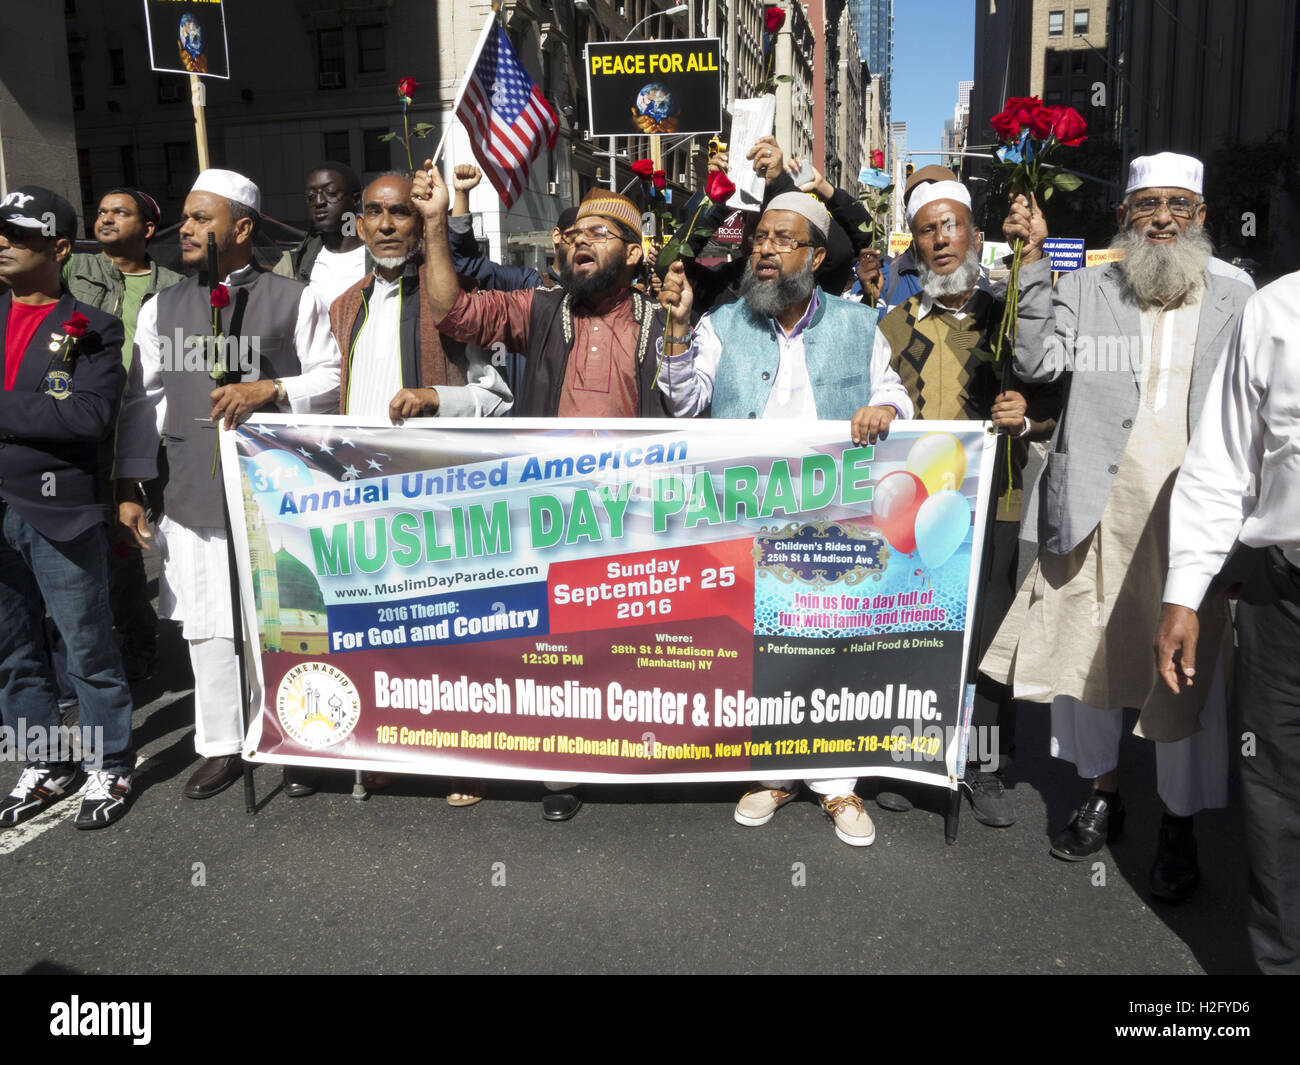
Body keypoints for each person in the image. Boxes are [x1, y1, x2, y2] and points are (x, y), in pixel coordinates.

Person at [981, 153, 1255, 900]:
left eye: (1178, 205)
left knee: (1185, 671)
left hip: (1195, 515)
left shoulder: (1239, 294)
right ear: (1125, 216)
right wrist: (1031, 263)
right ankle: (1103, 789)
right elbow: (1038, 360)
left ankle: (1179, 820)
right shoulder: (1091, 284)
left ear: (1201, 216)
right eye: (1146, 205)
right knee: (1088, 657)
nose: (1162, 217)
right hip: (1099, 502)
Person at [656, 190, 912, 847]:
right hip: (745, 520)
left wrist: (885, 412)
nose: (764, 249)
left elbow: (894, 397)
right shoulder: (724, 320)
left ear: (815, 254)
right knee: (760, 646)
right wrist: (680, 328)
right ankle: (773, 772)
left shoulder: (858, 324)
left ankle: (836, 782)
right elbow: (685, 407)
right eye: (760, 237)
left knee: (828, 646)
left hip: (835, 522)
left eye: (782, 239)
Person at [114, 168, 341, 802]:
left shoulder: (296, 297)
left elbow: (330, 377)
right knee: (210, 625)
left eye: (200, 219)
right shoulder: (163, 305)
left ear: (242, 229)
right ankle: (222, 743)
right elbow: (142, 400)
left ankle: (299, 737)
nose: (185, 229)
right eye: (184, 218)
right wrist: (132, 485)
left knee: (287, 620)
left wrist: (271, 388)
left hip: (277, 493)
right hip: (191, 492)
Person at [850, 179, 1061, 827]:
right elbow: (874, 400)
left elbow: (1053, 406)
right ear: (914, 244)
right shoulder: (889, 325)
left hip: (995, 502)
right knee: (913, 628)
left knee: (988, 634)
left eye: (953, 227)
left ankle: (984, 767)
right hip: (914, 511)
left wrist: (1025, 417)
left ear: (975, 235)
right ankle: (909, 758)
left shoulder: (1011, 318)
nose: (941, 240)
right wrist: (877, 411)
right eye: (928, 230)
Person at [1156, 268, 1300, 970]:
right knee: (1274, 793)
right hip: (1286, 604)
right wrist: (1184, 591)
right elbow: (1221, 465)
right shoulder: (1277, 310)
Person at [0, 185, 136, 828]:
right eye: (1, 231)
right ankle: (46, 759)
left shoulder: (94, 327)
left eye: (19, 235)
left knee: (86, 644)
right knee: (13, 648)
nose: (3, 243)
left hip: (57, 509)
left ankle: (109, 761)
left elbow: (87, 418)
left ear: (57, 249)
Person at [62, 187, 183, 681]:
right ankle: (106, 651)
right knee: (99, 542)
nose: (107, 218)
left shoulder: (174, 284)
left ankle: (149, 645)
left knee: (145, 539)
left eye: (120, 212)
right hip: (85, 428)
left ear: (149, 228)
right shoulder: (73, 270)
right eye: (102, 211)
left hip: (152, 429)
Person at [285, 163, 368, 306]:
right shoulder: (294, 262)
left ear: (355, 199)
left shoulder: (383, 257)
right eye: (311, 196)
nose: (319, 202)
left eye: (330, 193)